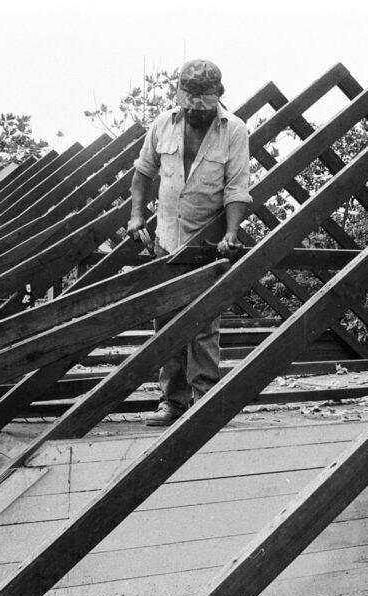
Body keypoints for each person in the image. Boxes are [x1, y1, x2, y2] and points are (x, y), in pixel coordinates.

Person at [127, 59, 251, 426]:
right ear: (181, 97)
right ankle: (173, 403)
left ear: (218, 98)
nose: (195, 110)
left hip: (206, 241)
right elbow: (142, 174)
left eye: (203, 103)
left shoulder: (235, 131)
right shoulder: (163, 124)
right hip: (167, 238)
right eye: (189, 102)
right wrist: (136, 215)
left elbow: (237, 189)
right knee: (165, 321)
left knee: (203, 323)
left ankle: (205, 401)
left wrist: (230, 234)